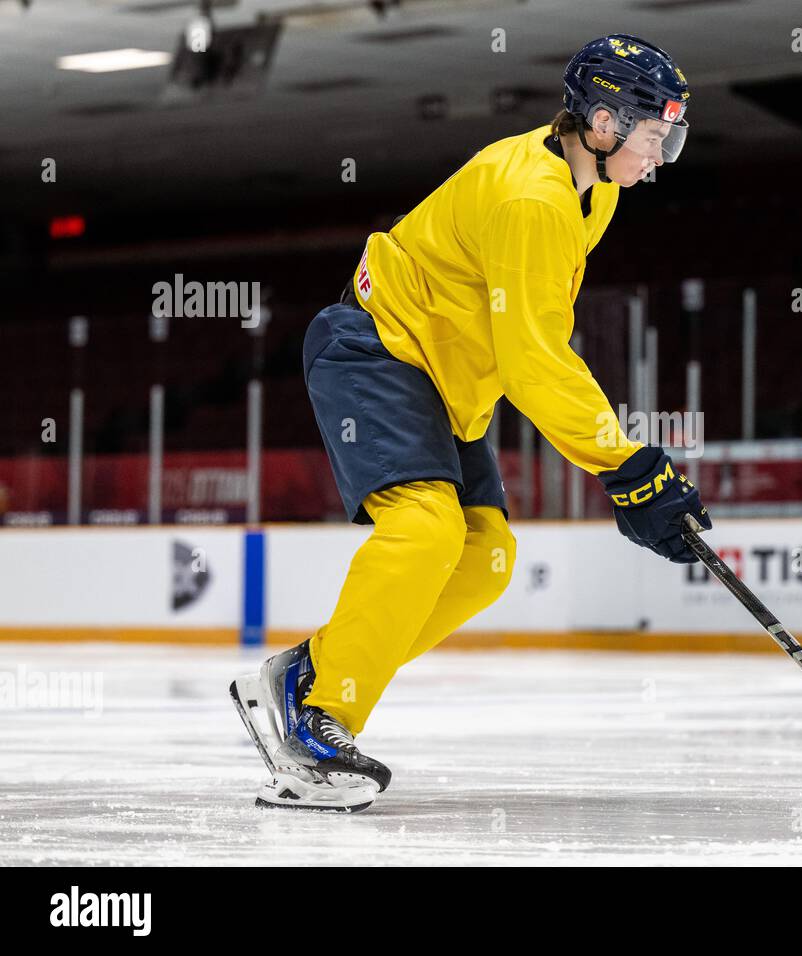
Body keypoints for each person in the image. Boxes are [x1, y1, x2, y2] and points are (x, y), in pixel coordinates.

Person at [230, 34, 710, 812]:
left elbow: (526, 339)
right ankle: (317, 715)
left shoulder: (598, 189)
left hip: (448, 380)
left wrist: (625, 469)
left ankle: (310, 670)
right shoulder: (534, 198)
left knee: (485, 557)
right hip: (379, 351)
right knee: (424, 533)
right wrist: (625, 467)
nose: (662, 155)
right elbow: (534, 359)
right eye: (655, 136)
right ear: (600, 122)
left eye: (669, 138)